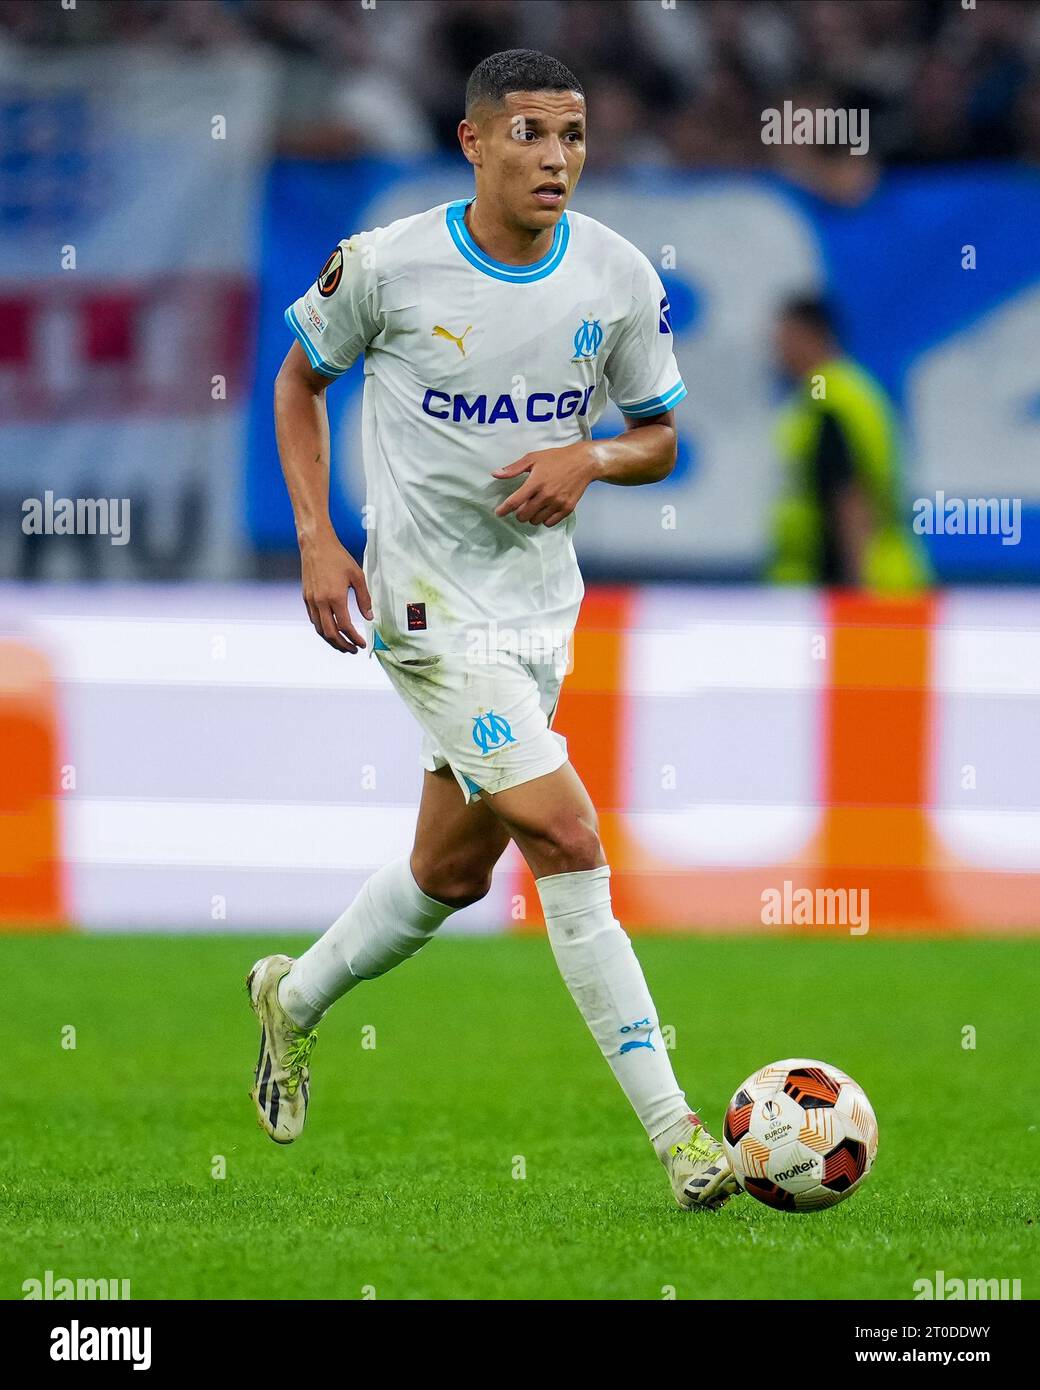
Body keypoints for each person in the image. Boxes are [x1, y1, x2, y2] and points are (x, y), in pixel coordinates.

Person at [250, 48, 738, 1212]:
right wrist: (317, 537)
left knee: (451, 869)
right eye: (528, 134)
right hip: (422, 609)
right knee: (566, 837)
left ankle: (291, 998)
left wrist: (594, 454)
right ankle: (682, 1140)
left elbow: (661, 435)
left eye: (571, 134)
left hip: (537, 610)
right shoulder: (386, 264)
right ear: (473, 142)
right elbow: (297, 382)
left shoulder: (617, 278)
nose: (555, 158)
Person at [770, 296, 930, 590]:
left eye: (784, 338)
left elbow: (850, 495)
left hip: (856, 585)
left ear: (811, 336)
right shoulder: (851, 393)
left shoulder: (829, 403)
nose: (777, 352)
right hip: (872, 579)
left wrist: (855, 590)